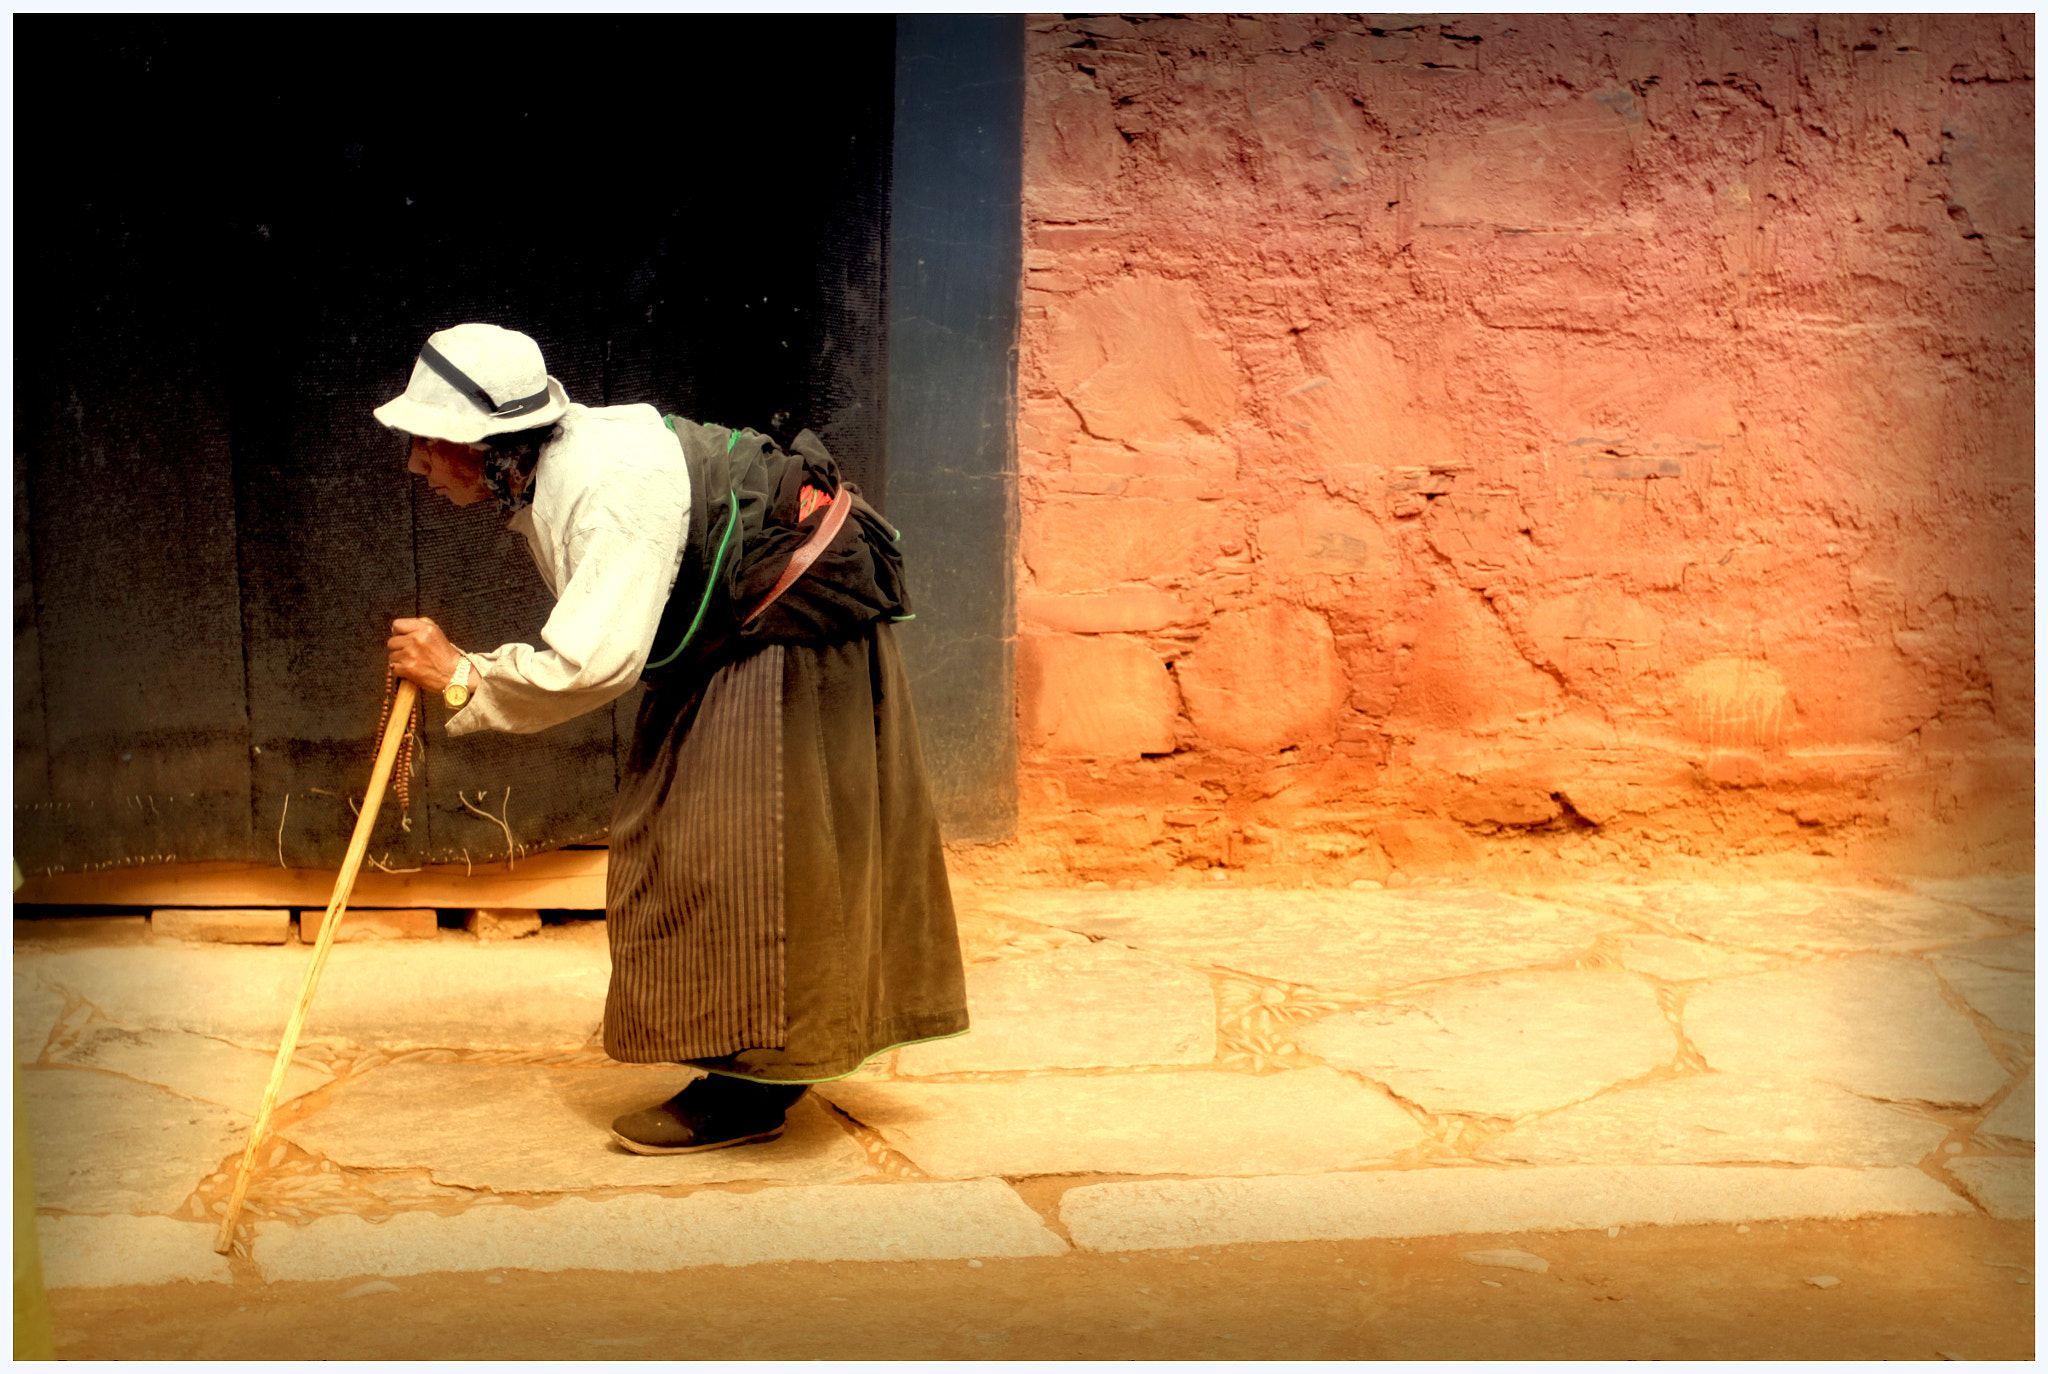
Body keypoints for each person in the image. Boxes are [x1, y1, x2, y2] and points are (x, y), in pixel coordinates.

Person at [377, 322, 968, 1154]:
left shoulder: (602, 486)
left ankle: (752, 1088)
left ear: (489, 443)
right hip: (734, 634)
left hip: (788, 638)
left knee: (738, 855)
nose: (417, 465)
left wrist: (461, 674)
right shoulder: (553, 467)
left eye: (431, 444)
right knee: (695, 844)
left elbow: (594, 663)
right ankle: (756, 1059)